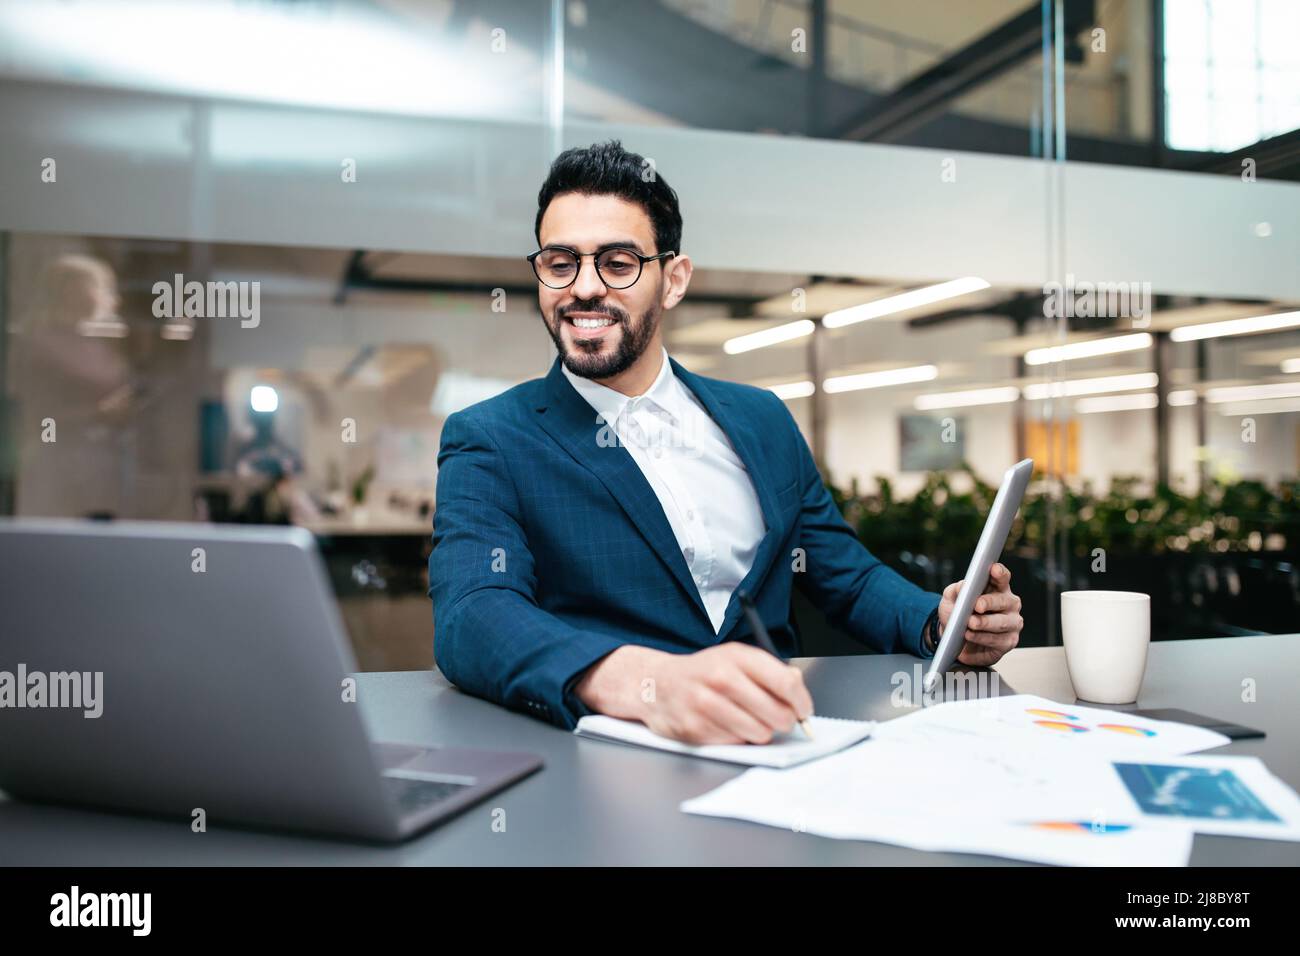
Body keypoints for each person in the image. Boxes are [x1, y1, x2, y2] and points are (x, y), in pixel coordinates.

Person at [429, 140, 1022, 744]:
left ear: (674, 279)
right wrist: (651, 683)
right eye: (561, 263)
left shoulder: (760, 418)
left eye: (617, 262)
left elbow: (846, 578)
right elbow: (472, 615)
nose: (584, 287)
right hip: (606, 762)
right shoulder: (492, 439)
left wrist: (942, 622)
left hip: (779, 744)